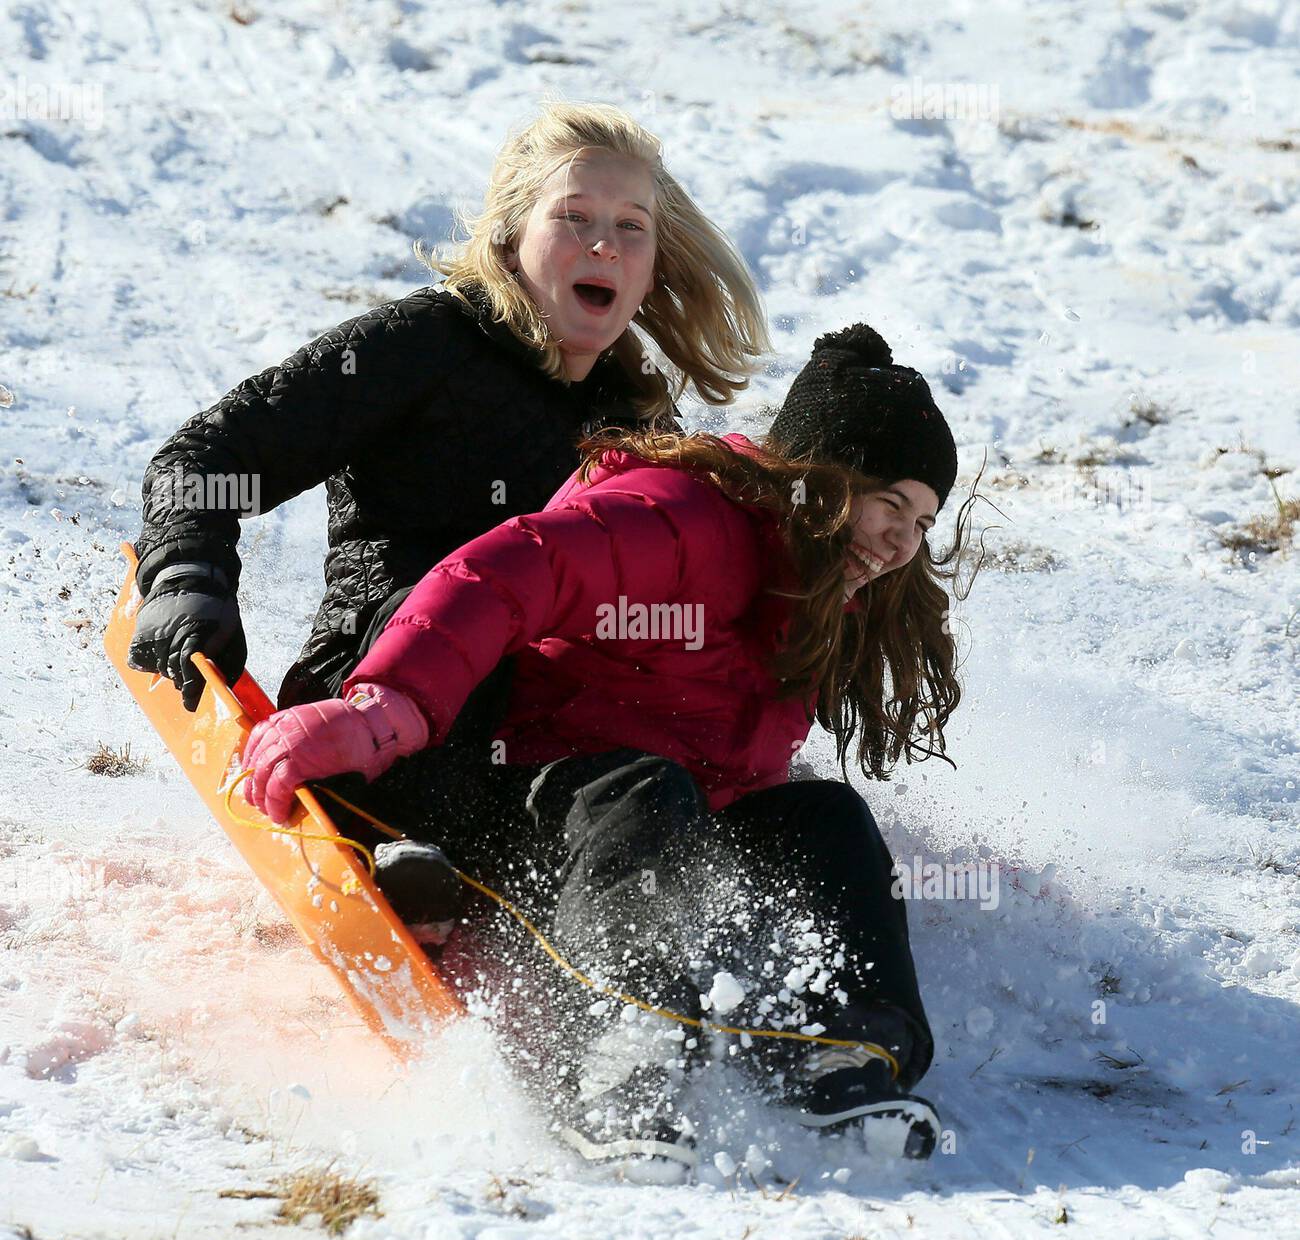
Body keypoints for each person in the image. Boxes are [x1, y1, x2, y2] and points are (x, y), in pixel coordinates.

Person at [241, 323, 978, 1171]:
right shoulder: (684, 521)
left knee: (826, 818)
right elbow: (512, 570)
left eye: (921, 520)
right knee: (642, 789)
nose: (901, 542)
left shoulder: (817, 592)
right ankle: (617, 1052)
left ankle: (843, 1050)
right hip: (521, 808)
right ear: (814, 477)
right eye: (890, 503)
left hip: (654, 850)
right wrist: (383, 708)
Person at [126, 99, 769, 723]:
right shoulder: (428, 342)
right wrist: (189, 573)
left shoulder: (638, 411)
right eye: (575, 216)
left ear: (652, 268)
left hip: (548, 724)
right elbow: (208, 456)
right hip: (370, 689)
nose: (605, 245)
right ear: (511, 239)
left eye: (631, 226)